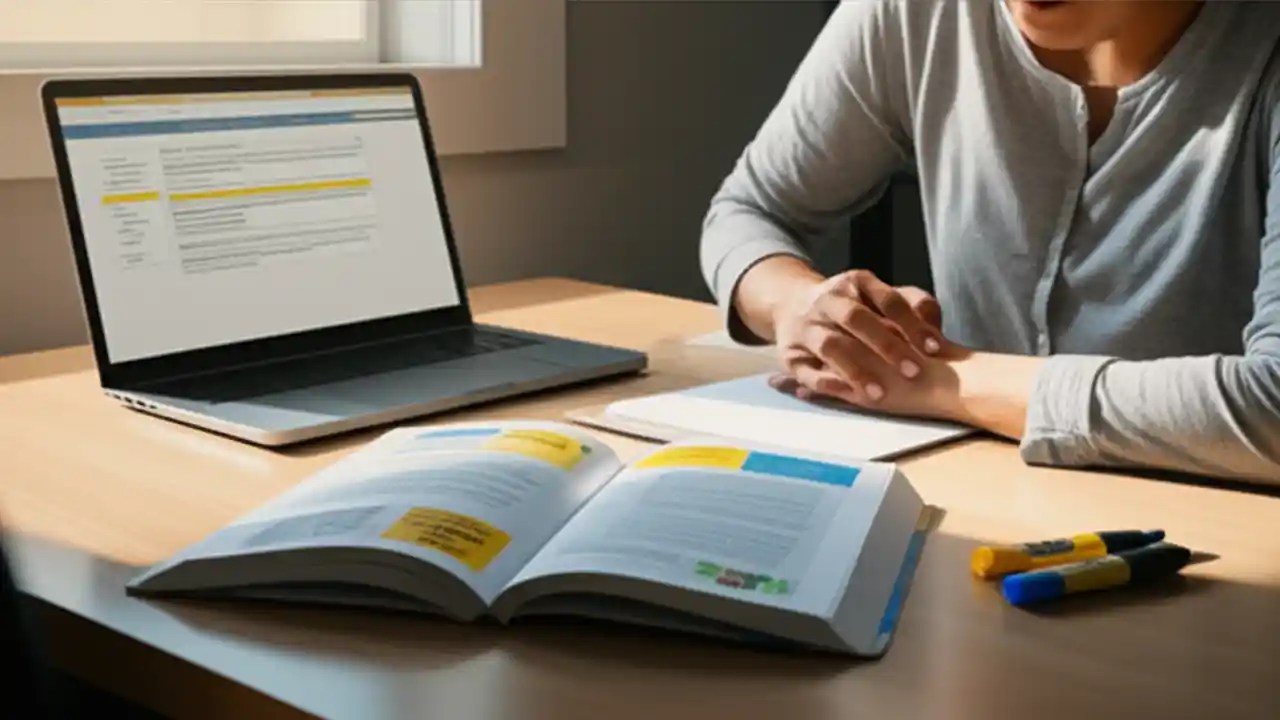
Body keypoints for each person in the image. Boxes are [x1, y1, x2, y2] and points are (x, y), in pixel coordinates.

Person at [701, 0, 1280, 482]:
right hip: (970, 511)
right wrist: (799, 307)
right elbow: (749, 211)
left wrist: (942, 381)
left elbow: (1272, 409)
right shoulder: (918, 13)